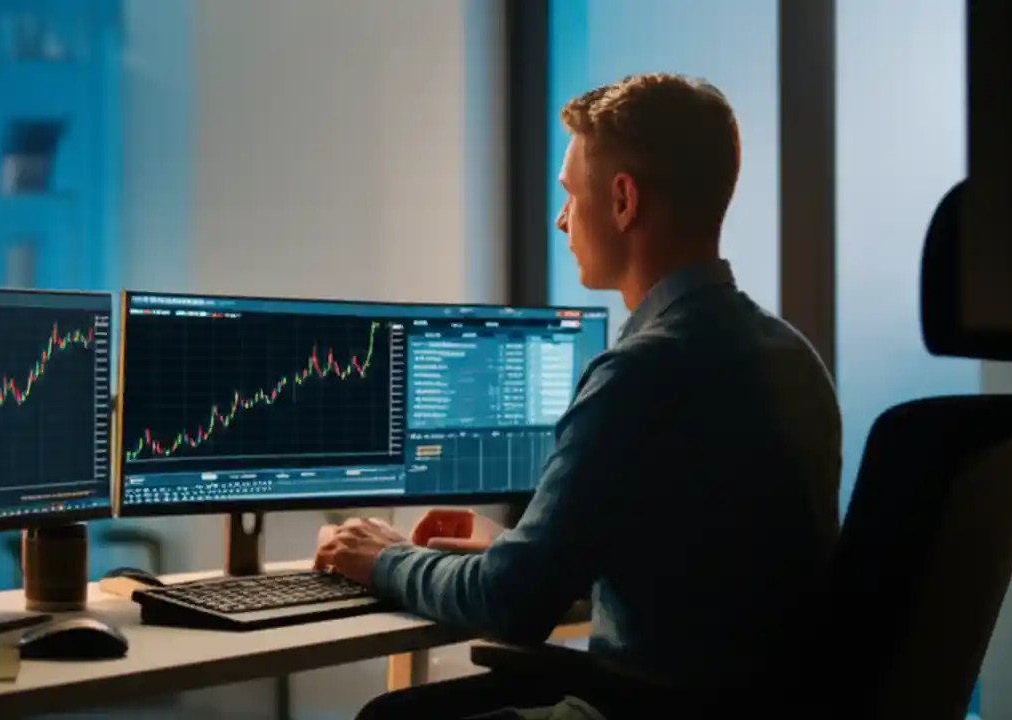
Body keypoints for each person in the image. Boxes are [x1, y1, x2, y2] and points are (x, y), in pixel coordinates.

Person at [316, 73, 842, 719]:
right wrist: (527, 546)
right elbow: (712, 576)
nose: (561, 218)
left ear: (623, 201)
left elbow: (512, 606)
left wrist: (384, 559)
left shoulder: (640, 372)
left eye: (569, 193)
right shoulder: (792, 357)